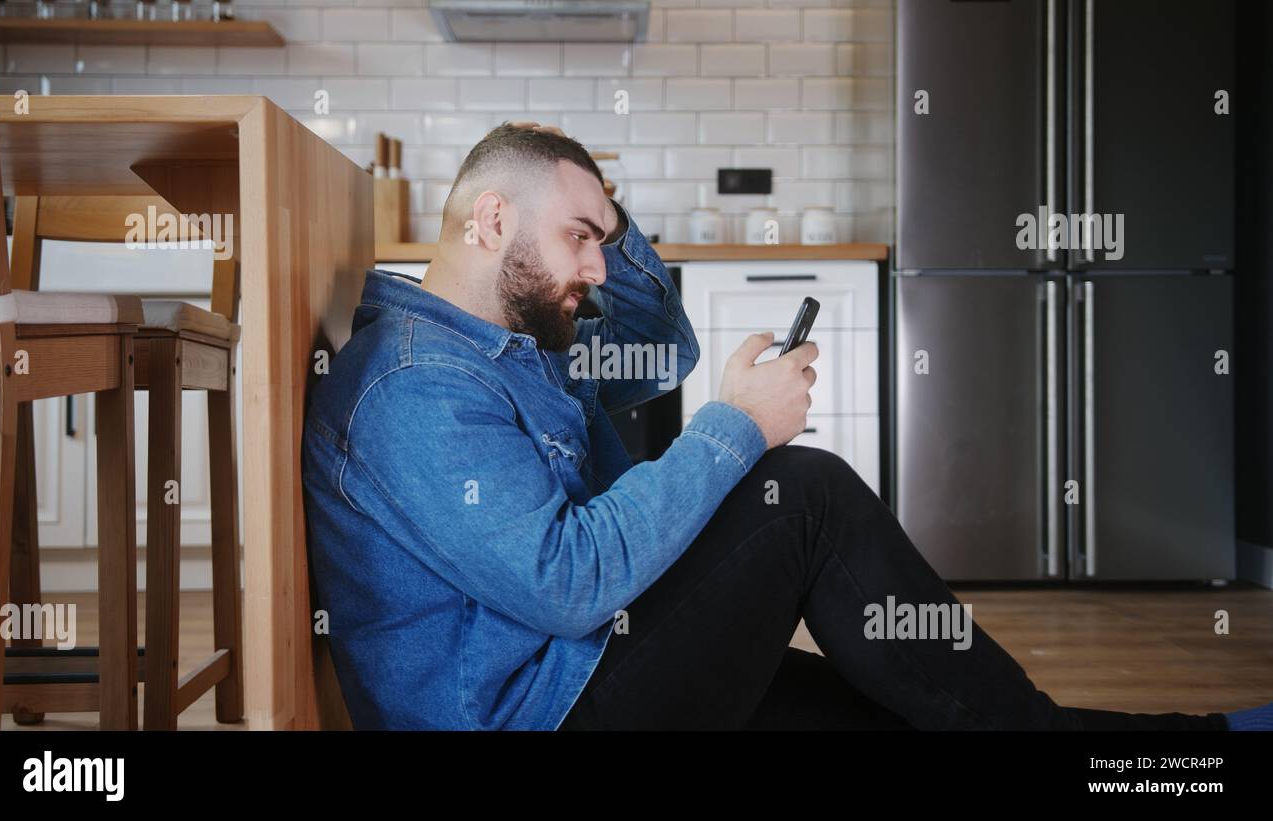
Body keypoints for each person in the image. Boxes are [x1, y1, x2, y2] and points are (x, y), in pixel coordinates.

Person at [301, 121, 1271, 731]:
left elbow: (659, 346)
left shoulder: (507, 342)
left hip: (581, 663)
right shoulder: (414, 387)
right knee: (797, 491)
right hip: (542, 703)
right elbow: (565, 582)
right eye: (579, 239)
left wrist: (596, 203)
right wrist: (734, 425)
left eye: (601, 238)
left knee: (893, 706)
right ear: (486, 220)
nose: (598, 269)